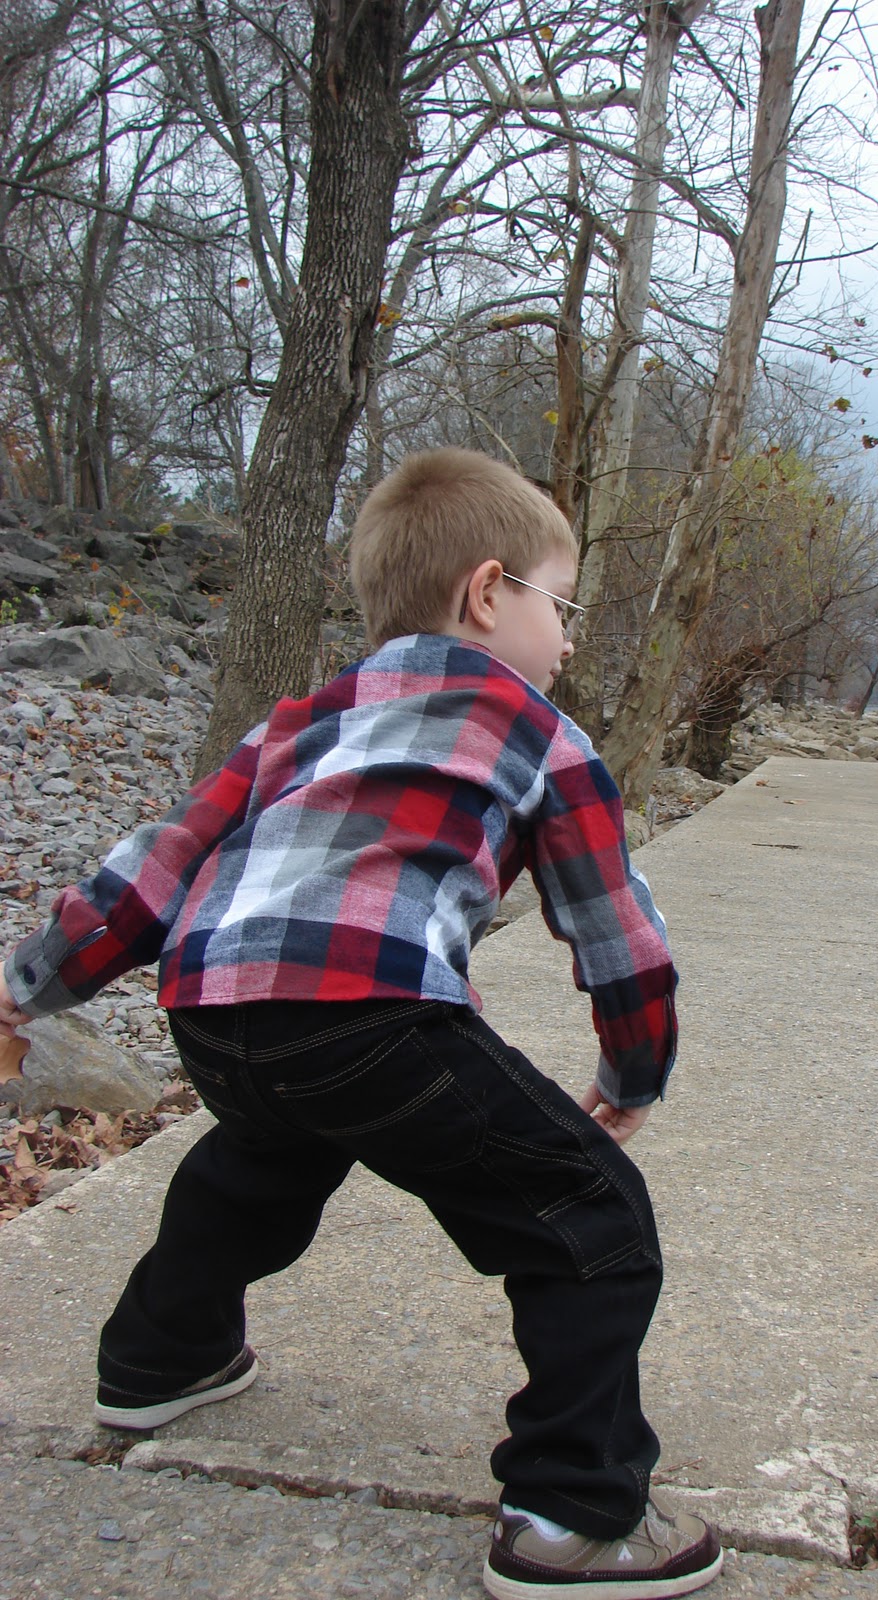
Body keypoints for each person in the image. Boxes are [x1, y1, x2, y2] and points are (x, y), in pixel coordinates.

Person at [0, 448, 723, 1600]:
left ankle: (158, 1358)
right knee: (590, 1216)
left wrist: (34, 981)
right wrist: (636, 1068)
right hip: (373, 1009)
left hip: (212, 1008)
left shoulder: (298, 722)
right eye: (562, 605)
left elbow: (157, 865)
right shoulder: (541, 732)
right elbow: (616, 930)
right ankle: (575, 1511)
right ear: (487, 594)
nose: (569, 641)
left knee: (265, 1156)